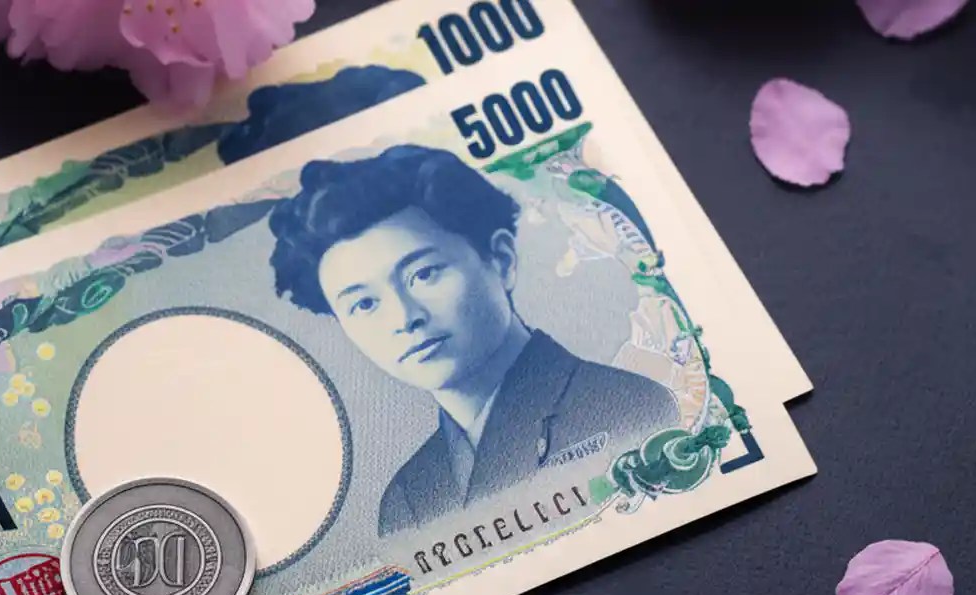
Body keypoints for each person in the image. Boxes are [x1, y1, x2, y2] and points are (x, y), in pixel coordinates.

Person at [268, 145, 679, 535]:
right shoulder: (405, 500)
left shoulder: (630, 411)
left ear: (501, 260)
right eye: (363, 304)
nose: (405, 318)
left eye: (424, 275)